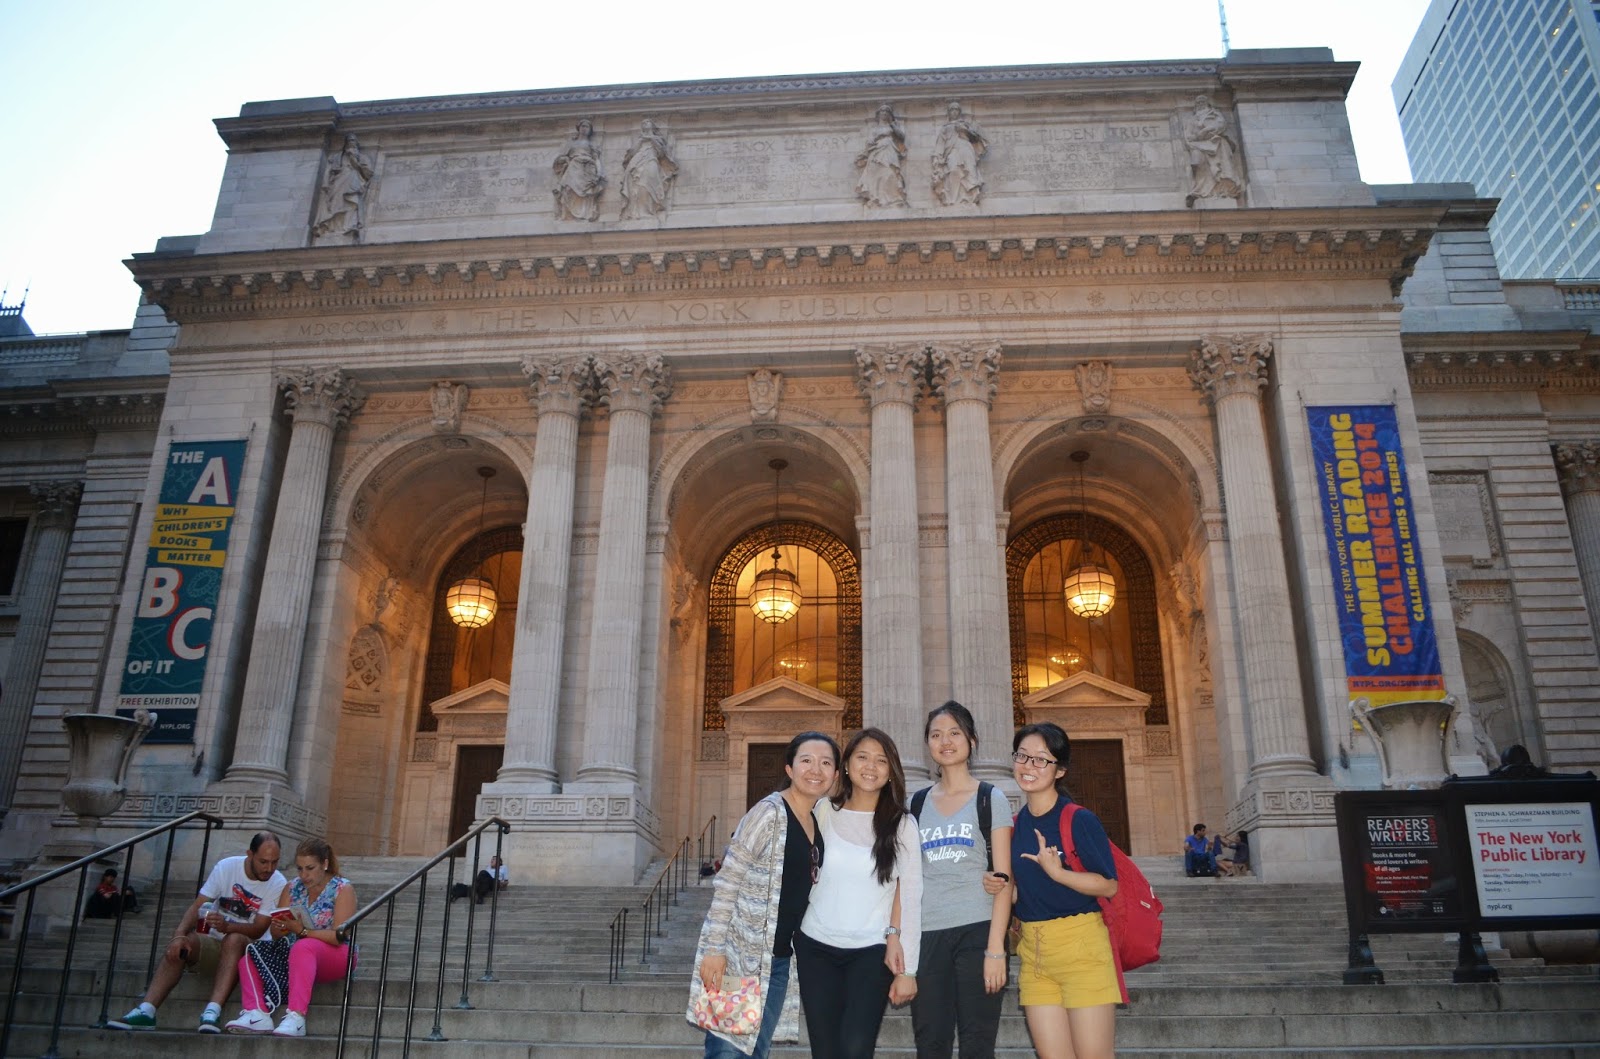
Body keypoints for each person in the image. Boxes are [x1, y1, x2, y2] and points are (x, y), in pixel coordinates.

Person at [689, 731, 841, 1059]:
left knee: (756, 1051)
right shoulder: (769, 812)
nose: (816, 769)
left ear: (835, 775)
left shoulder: (815, 821)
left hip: (779, 961)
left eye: (826, 762)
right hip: (739, 957)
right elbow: (728, 880)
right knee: (728, 1053)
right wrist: (715, 950)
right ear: (789, 768)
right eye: (806, 760)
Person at [795, 727, 921, 1059]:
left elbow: (907, 893)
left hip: (870, 952)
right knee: (825, 1050)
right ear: (847, 766)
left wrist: (906, 967)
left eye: (881, 760)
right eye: (862, 757)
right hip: (815, 947)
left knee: (856, 1048)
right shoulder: (822, 811)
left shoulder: (903, 825)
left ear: (891, 771)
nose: (871, 766)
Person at [1008, 722, 1119, 1059]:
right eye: (1023, 756)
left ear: (1060, 770)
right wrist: (999, 887)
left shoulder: (1079, 819)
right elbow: (1019, 894)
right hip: (1034, 954)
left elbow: (1108, 884)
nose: (1029, 766)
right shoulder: (1012, 826)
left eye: (1042, 759)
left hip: (1082, 950)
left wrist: (1059, 873)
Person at [910, 701, 1013, 1059]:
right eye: (936, 734)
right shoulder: (917, 804)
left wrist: (996, 949)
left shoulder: (990, 798)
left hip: (978, 928)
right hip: (927, 933)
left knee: (977, 1042)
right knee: (930, 1042)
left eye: (955, 732)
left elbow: (1004, 879)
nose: (946, 741)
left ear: (971, 739)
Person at [108, 831, 287, 1033]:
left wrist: (227, 926)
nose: (269, 868)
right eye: (264, 862)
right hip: (214, 943)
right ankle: (146, 1010)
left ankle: (212, 1012)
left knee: (234, 939)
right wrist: (179, 935)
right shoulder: (227, 867)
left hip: (249, 951)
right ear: (250, 854)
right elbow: (198, 906)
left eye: (274, 862)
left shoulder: (278, 882)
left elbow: (259, 929)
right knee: (183, 944)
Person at [225, 836, 357, 1037]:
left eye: (310, 868)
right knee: (248, 959)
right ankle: (257, 1013)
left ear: (325, 864)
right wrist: (282, 926)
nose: (304, 875)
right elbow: (276, 934)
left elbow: (339, 936)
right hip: (296, 955)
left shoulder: (342, 889)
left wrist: (302, 931)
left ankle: (296, 1016)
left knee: (303, 946)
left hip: (338, 956)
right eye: (300, 868)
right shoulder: (292, 887)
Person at [311, 135, 374, 242]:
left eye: (353, 141)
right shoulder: (337, 157)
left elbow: (368, 173)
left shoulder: (362, 157)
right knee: (336, 203)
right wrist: (326, 183)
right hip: (338, 181)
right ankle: (333, 227)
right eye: (349, 141)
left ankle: (349, 226)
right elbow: (329, 171)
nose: (351, 143)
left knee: (352, 202)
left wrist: (354, 160)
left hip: (353, 180)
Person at [1183, 95, 1243, 205]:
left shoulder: (1215, 115)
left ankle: (1220, 190)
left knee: (1222, 165)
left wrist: (1209, 130)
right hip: (1198, 145)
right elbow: (1189, 137)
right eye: (1198, 102)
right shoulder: (1191, 120)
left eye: (1203, 102)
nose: (1201, 104)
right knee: (1197, 163)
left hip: (1216, 142)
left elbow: (1221, 125)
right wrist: (1200, 135)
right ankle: (1200, 191)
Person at [932, 101, 988, 206]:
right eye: (952, 110)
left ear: (959, 112)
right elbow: (940, 145)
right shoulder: (945, 128)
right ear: (948, 113)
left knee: (970, 171)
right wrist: (937, 158)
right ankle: (954, 200)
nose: (954, 112)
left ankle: (969, 197)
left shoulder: (965, 125)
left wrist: (965, 131)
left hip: (966, 149)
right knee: (953, 170)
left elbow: (976, 139)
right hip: (952, 151)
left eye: (956, 109)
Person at [621, 119, 678, 220]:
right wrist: (641, 141)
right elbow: (631, 153)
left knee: (649, 181)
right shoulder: (640, 139)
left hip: (651, 160)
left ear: (652, 126)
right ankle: (639, 211)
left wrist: (651, 139)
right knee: (637, 185)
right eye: (643, 123)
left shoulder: (657, 139)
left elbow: (661, 153)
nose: (645, 123)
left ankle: (649, 209)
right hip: (637, 161)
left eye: (647, 122)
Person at [854, 105, 907, 208]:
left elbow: (902, 136)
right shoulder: (875, 129)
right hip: (877, 152)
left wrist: (892, 124)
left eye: (887, 111)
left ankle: (892, 198)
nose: (884, 113)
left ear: (890, 115)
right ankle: (876, 198)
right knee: (876, 175)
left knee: (890, 173)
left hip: (889, 150)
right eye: (882, 111)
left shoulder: (892, 126)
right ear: (878, 114)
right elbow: (869, 142)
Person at [552, 119, 605, 221]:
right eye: (583, 126)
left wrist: (599, 173)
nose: (584, 129)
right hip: (574, 166)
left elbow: (597, 159)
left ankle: (585, 214)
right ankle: (568, 214)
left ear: (590, 130)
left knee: (587, 192)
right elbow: (560, 158)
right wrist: (566, 159)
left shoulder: (592, 145)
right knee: (568, 189)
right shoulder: (571, 144)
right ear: (579, 128)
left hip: (588, 168)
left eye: (587, 127)